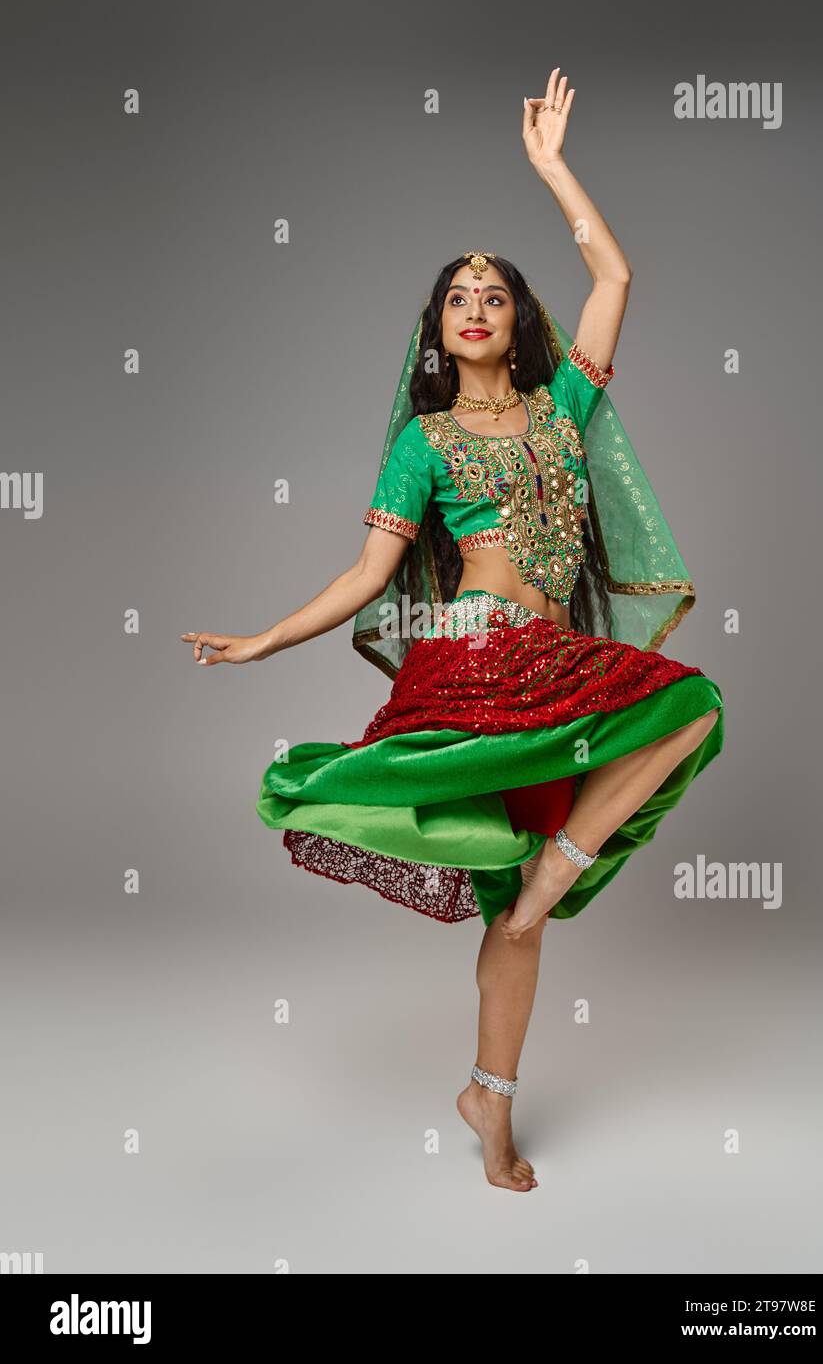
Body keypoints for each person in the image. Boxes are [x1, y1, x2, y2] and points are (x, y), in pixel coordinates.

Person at [182, 68, 724, 1193]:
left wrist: (549, 165)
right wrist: (263, 640)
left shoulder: (560, 405)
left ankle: (495, 1050)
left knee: (687, 708)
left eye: (493, 292)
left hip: (549, 659)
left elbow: (614, 272)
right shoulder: (423, 441)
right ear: (436, 330)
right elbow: (366, 574)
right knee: (510, 902)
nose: (474, 306)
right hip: (472, 654)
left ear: (516, 317)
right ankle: (498, 1106)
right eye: (455, 296)